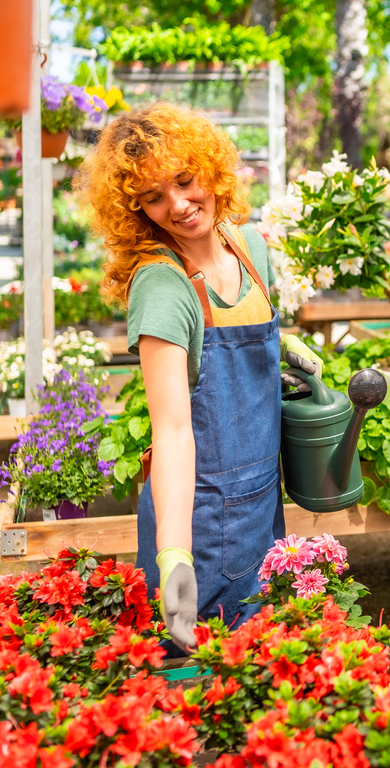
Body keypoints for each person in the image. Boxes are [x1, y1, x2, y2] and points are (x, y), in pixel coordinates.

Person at [77, 103, 323, 651]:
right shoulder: (162, 287)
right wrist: (175, 554)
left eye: (185, 181)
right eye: (153, 197)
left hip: (262, 503)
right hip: (200, 517)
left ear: (209, 168)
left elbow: (229, 336)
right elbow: (172, 431)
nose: (179, 206)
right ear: (133, 209)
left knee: (259, 679)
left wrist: (277, 343)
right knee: (191, 689)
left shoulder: (247, 245)